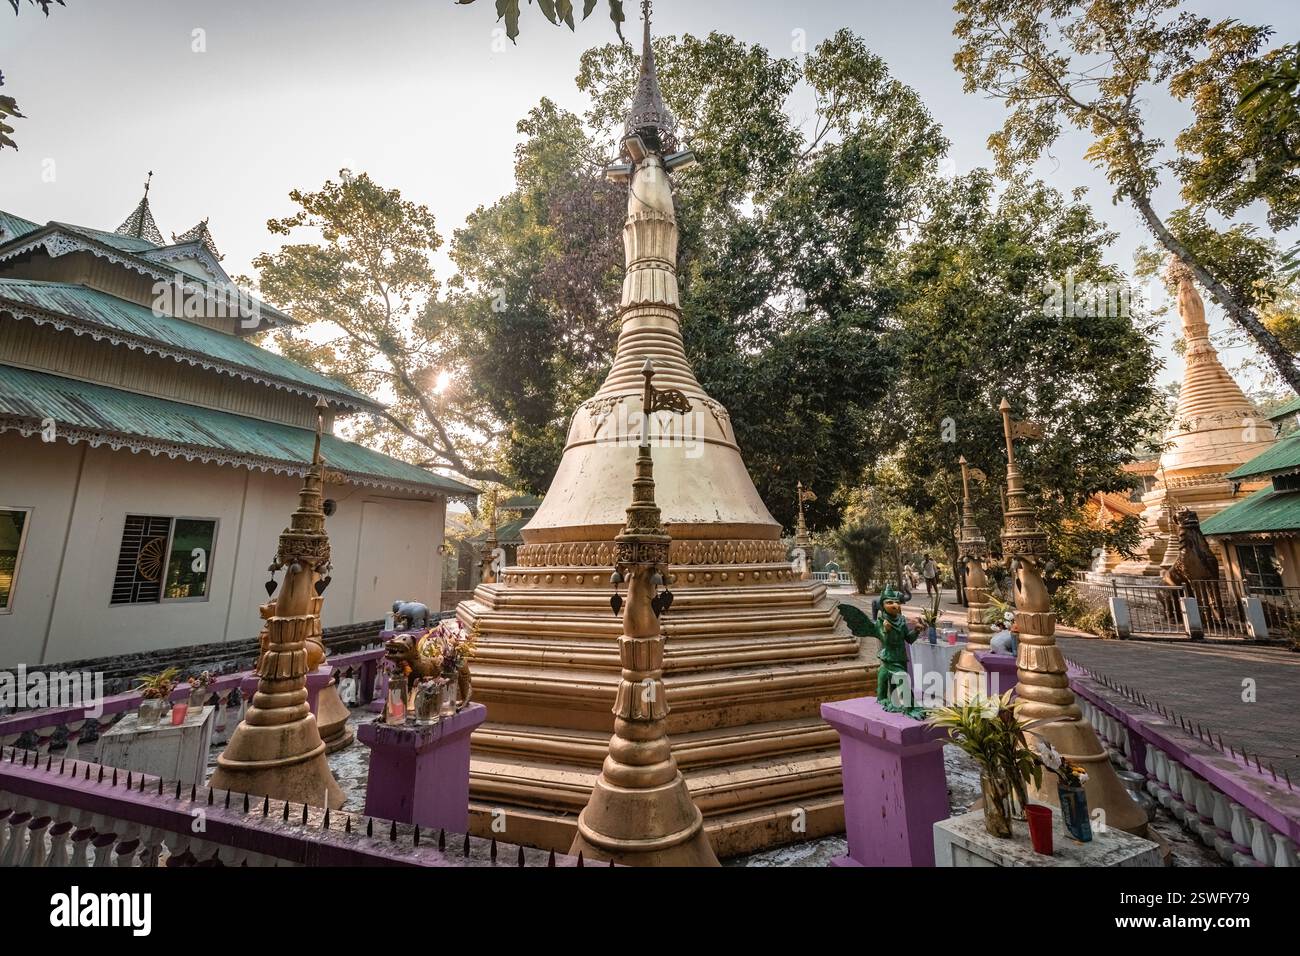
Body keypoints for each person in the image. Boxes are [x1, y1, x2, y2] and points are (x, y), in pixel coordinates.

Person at [867, 585, 926, 718]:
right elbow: (886, 642)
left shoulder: (901, 620)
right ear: (882, 606)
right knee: (902, 678)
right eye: (889, 602)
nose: (895, 605)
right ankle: (910, 708)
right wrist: (886, 631)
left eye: (897, 602)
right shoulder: (881, 622)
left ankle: (886, 698)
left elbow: (908, 639)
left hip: (901, 656)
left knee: (887, 676)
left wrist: (916, 631)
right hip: (890, 656)